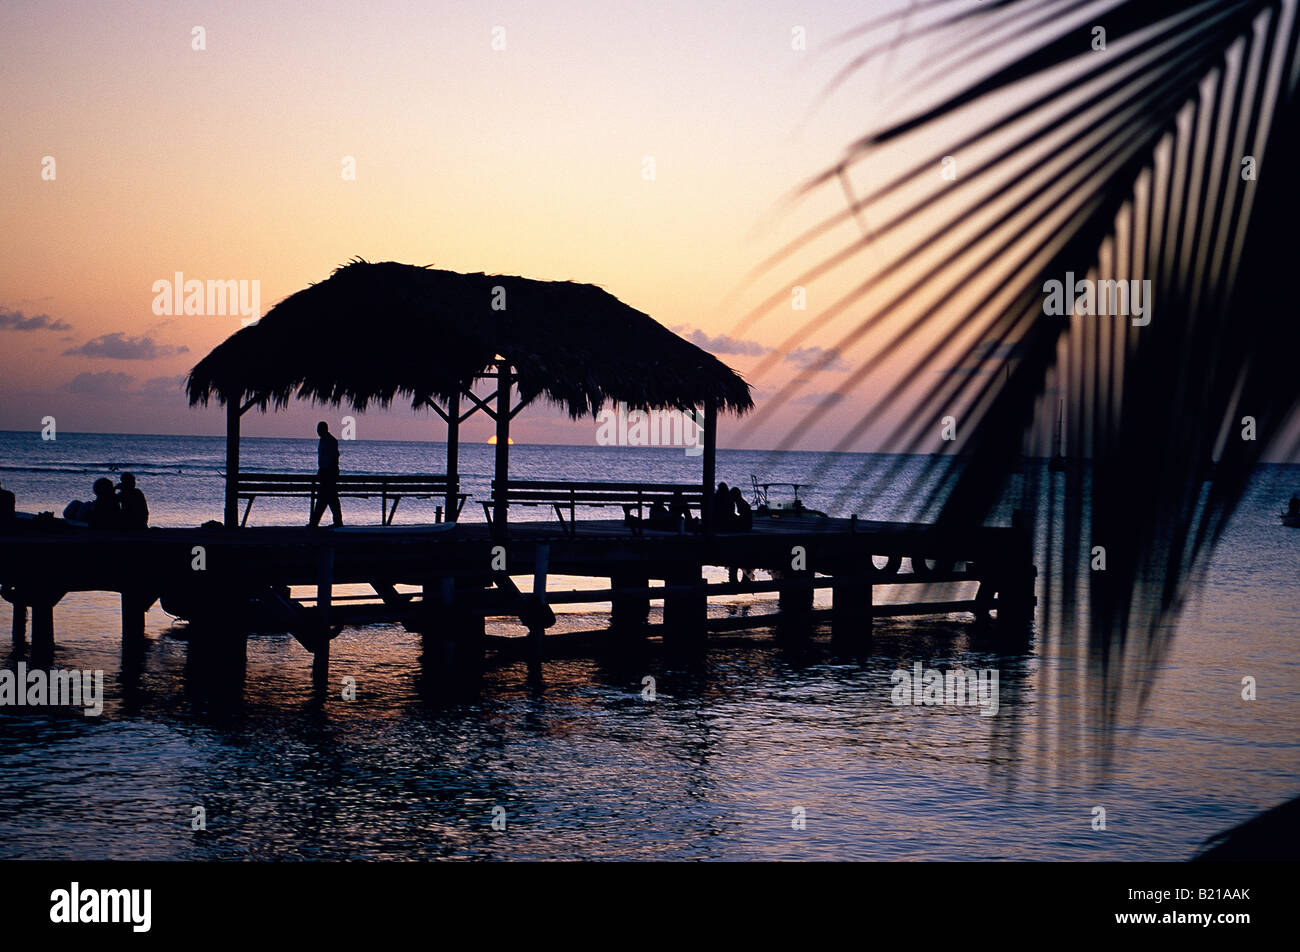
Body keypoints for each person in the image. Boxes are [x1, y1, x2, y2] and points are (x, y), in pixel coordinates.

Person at [308, 421, 342, 527]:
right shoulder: (324, 440)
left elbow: (333, 458)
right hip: (326, 472)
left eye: (319, 429)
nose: (318, 432)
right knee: (330, 499)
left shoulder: (330, 441)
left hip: (328, 473)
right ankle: (336, 522)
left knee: (325, 499)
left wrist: (327, 471)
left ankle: (315, 522)